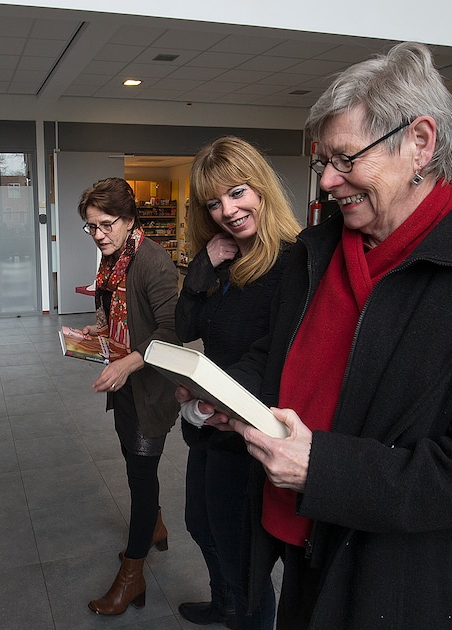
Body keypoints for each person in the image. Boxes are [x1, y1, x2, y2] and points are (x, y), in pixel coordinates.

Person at [184, 42, 452, 629]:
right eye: (321, 163)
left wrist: (324, 470)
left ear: (420, 142)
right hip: (301, 541)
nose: (327, 181)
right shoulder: (313, 254)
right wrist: (227, 390)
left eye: (344, 159)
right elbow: (280, 353)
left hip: (407, 581)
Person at [175, 136, 301, 630]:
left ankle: (242, 614)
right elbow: (186, 330)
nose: (228, 210)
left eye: (238, 192)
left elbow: (275, 352)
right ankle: (223, 605)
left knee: (241, 554)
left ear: (262, 189)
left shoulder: (291, 261)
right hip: (209, 421)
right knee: (198, 524)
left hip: (245, 430)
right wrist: (203, 265)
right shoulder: (221, 262)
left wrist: (216, 399)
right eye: (214, 202)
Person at [75, 177, 181, 616]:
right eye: (91, 226)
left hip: (148, 389)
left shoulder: (153, 263)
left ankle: (132, 577)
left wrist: (128, 361)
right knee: (133, 463)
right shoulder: (113, 259)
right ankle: (154, 527)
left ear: (130, 219)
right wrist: (95, 334)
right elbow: (116, 315)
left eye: (105, 224)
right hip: (124, 386)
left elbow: (172, 330)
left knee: (140, 475)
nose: (98, 234)